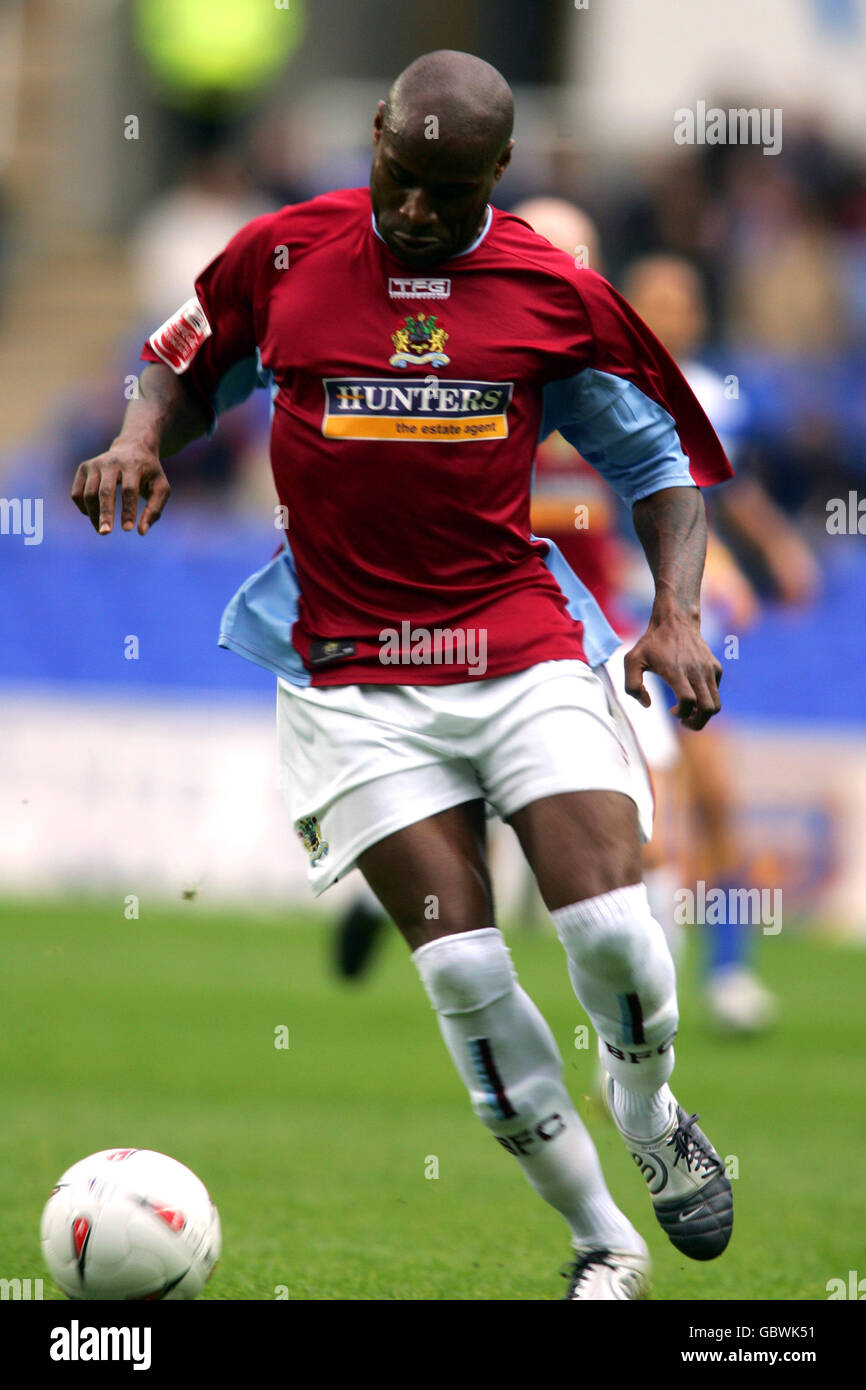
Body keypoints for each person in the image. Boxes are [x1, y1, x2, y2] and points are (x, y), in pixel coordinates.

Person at [72, 50, 735, 1301]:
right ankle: (605, 1240)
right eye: (399, 175)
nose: (417, 210)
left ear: (499, 173)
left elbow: (659, 465)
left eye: (447, 188)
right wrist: (135, 437)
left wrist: (676, 614)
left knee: (614, 941)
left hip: (516, 644)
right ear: (370, 131)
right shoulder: (281, 257)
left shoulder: (552, 292)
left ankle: (647, 1110)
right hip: (347, 679)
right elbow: (177, 356)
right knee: (468, 970)